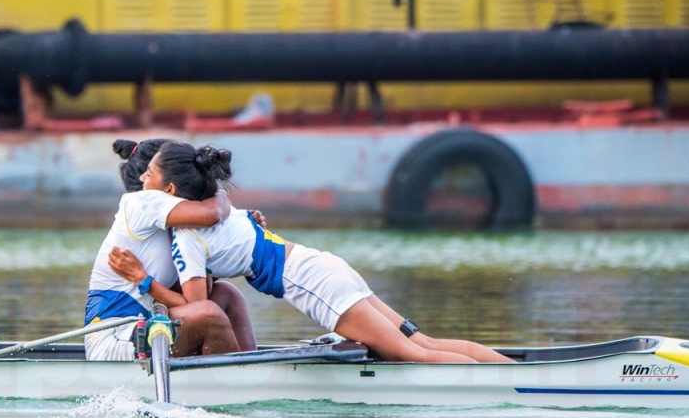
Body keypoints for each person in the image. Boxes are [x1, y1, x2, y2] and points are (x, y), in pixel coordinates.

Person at [109, 141, 511, 364]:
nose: (140, 182)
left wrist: (142, 281)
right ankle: (515, 372)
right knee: (424, 341)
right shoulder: (225, 211)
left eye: (148, 178)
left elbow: (195, 306)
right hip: (326, 266)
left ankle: (504, 388)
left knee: (410, 354)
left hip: (317, 286)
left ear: (170, 193)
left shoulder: (186, 236)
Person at [84, 139, 255, 361]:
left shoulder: (177, 229)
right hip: (114, 339)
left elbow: (193, 296)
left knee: (226, 294)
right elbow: (212, 214)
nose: (143, 178)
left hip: (151, 324)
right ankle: (239, 380)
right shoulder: (139, 202)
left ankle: (251, 365)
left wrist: (243, 222)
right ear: (169, 186)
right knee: (209, 315)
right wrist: (219, 193)